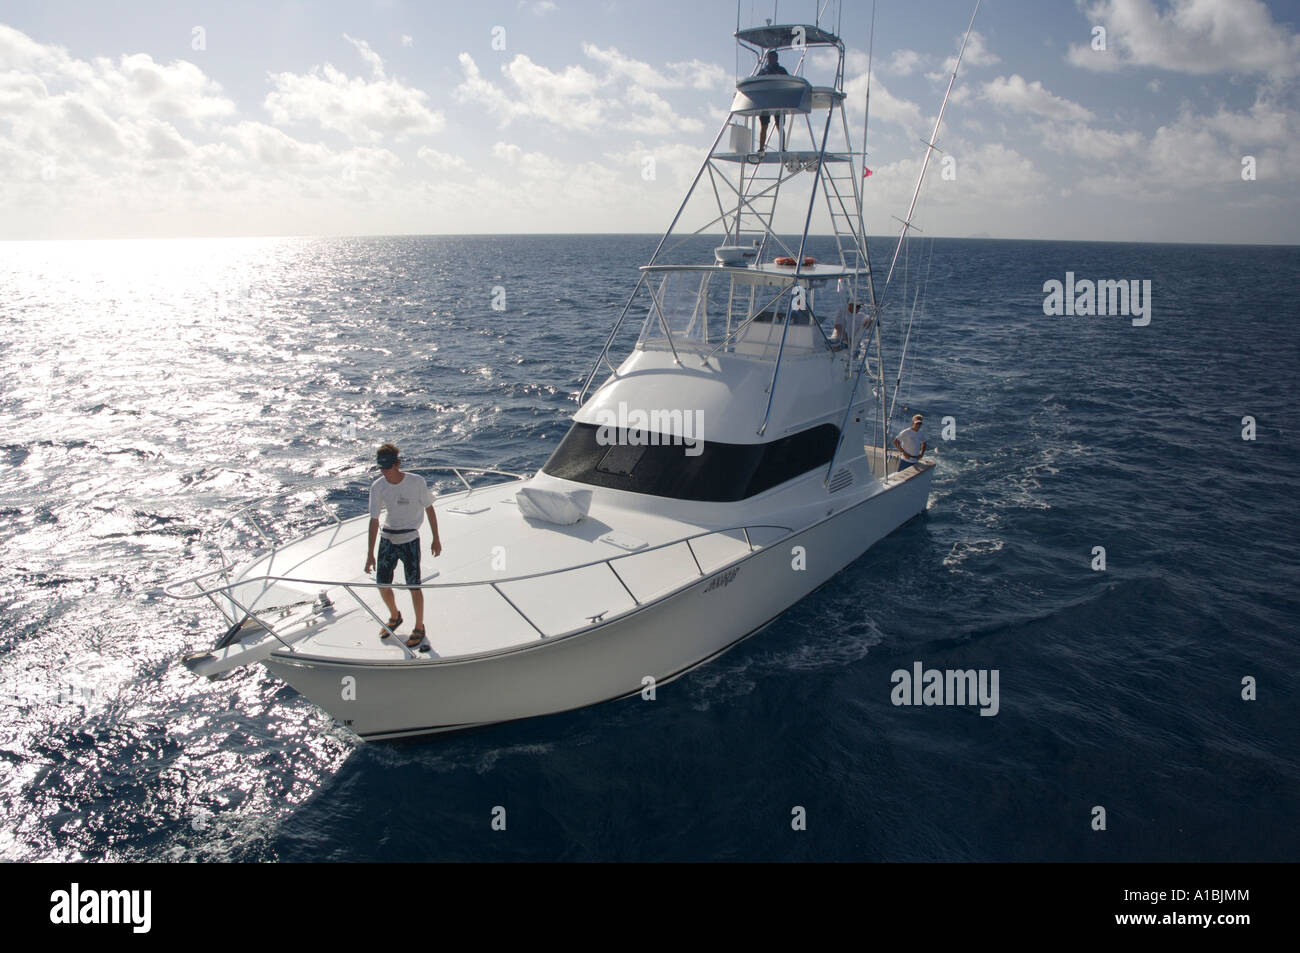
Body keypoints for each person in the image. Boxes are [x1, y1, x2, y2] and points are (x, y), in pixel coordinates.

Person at [363, 443, 442, 649]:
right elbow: (374, 520)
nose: (385, 471)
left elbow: (429, 508)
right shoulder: (378, 487)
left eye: (388, 466)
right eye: (381, 467)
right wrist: (370, 554)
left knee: (413, 586)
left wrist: (436, 538)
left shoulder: (416, 482)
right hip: (388, 538)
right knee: (382, 583)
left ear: (397, 464)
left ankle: (419, 626)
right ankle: (395, 616)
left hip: (409, 539)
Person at [756, 50, 788, 151]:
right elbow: (756, 82)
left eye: (772, 58)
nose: (770, 60)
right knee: (764, 125)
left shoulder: (782, 71)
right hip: (765, 101)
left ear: (776, 58)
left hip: (779, 101)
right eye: (769, 58)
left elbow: (788, 82)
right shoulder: (763, 71)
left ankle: (782, 148)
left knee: (779, 125)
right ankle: (761, 148)